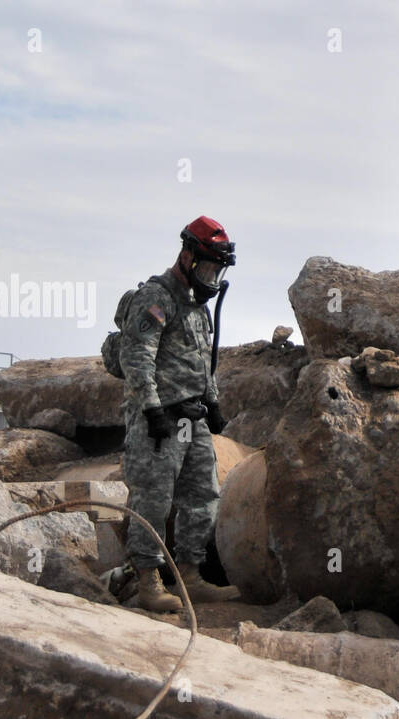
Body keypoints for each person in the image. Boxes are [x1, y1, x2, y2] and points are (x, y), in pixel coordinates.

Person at [118, 216, 240, 611]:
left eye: (217, 269)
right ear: (187, 255)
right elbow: (137, 357)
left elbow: (204, 361)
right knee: (153, 498)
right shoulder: (157, 297)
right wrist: (152, 410)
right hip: (160, 419)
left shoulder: (198, 307)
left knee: (203, 496)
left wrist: (214, 402)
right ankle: (148, 580)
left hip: (194, 418)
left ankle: (190, 574)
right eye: (207, 267)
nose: (212, 277)